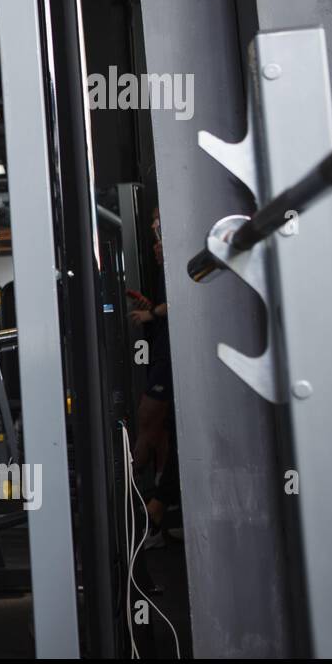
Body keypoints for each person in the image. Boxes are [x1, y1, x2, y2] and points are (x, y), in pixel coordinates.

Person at [129, 206, 181, 547]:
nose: (156, 245)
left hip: (169, 358)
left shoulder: (179, 262)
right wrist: (151, 306)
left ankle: (135, 504)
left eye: (161, 236)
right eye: (154, 239)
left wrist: (150, 314)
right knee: (160, 432)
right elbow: (167, 306)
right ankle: (156, 506)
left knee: (149, 423)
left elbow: (183, 300)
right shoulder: (165, 270)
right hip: (163, 355)